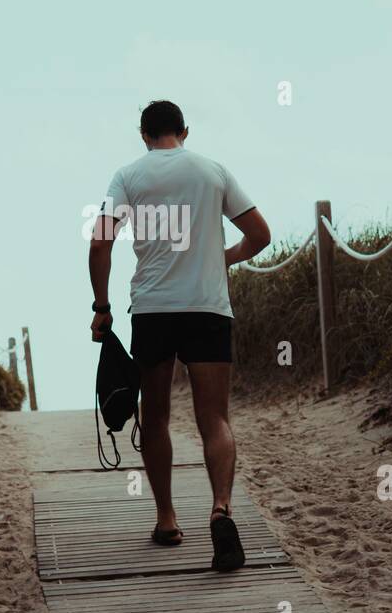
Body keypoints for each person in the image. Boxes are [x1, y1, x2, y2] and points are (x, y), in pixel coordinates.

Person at [89, 99, 270, 572]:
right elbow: (260, 236)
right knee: (215, 419)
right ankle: (221, 508)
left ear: (143, 135)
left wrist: (101, 307)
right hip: (208, 308)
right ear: (184, 131)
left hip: (153, 310)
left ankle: (167, 518)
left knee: (157, 415)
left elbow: (99, 244)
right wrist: (219, 259)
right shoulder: (213, 172)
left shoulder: (128, 177)